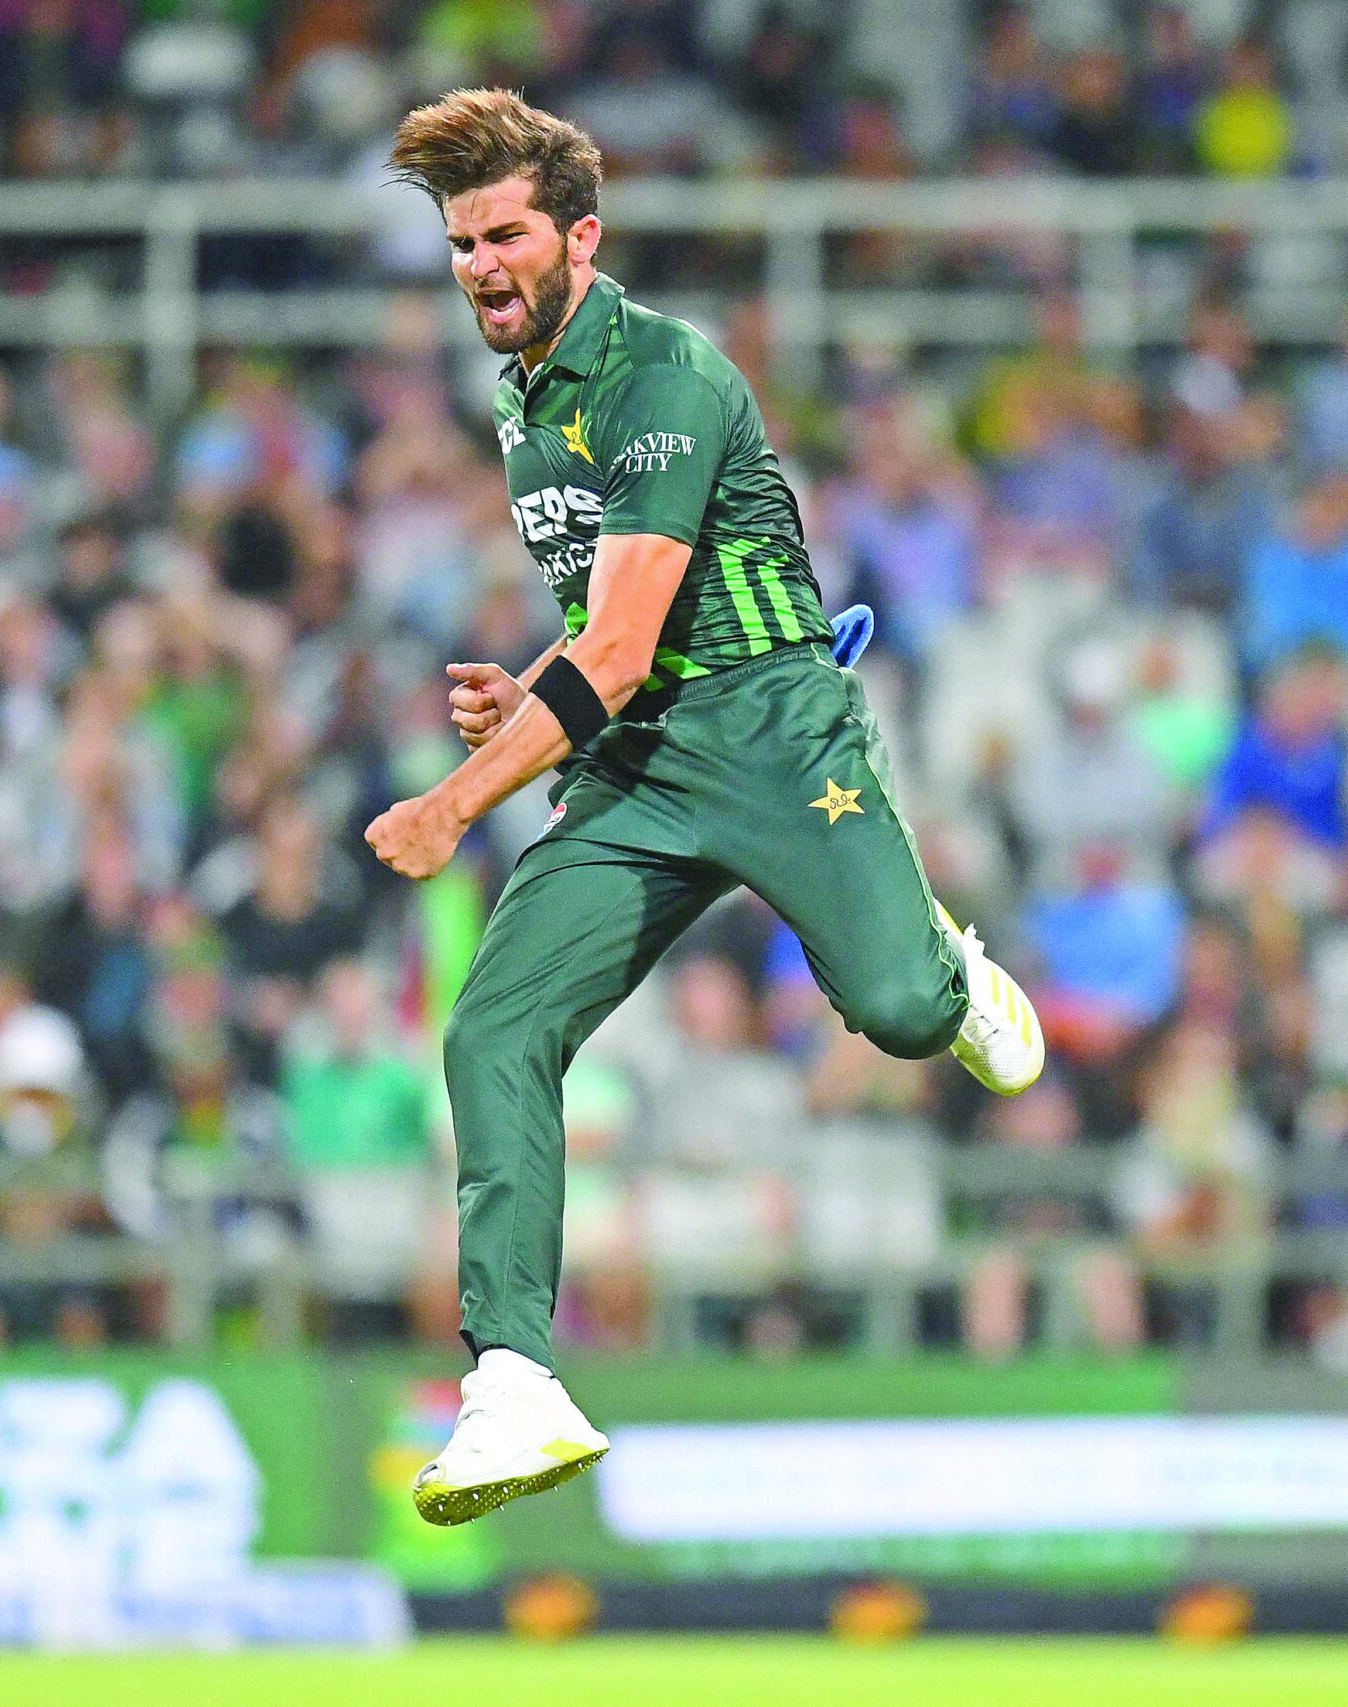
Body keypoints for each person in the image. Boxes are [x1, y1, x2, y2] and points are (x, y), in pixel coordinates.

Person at [363, 90, 1044, 1526]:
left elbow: (621, 647)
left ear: (581, 238)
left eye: (503, 234)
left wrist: (454, 800)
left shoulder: (663, 374)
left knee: (911, 1021)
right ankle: (512, 1381)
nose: (479, 264)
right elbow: (606, 636)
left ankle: (943, 958)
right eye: (458, 241)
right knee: (496, 1023)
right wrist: (529, 691)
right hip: (637, 764)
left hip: (775, 729)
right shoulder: (520, 402)